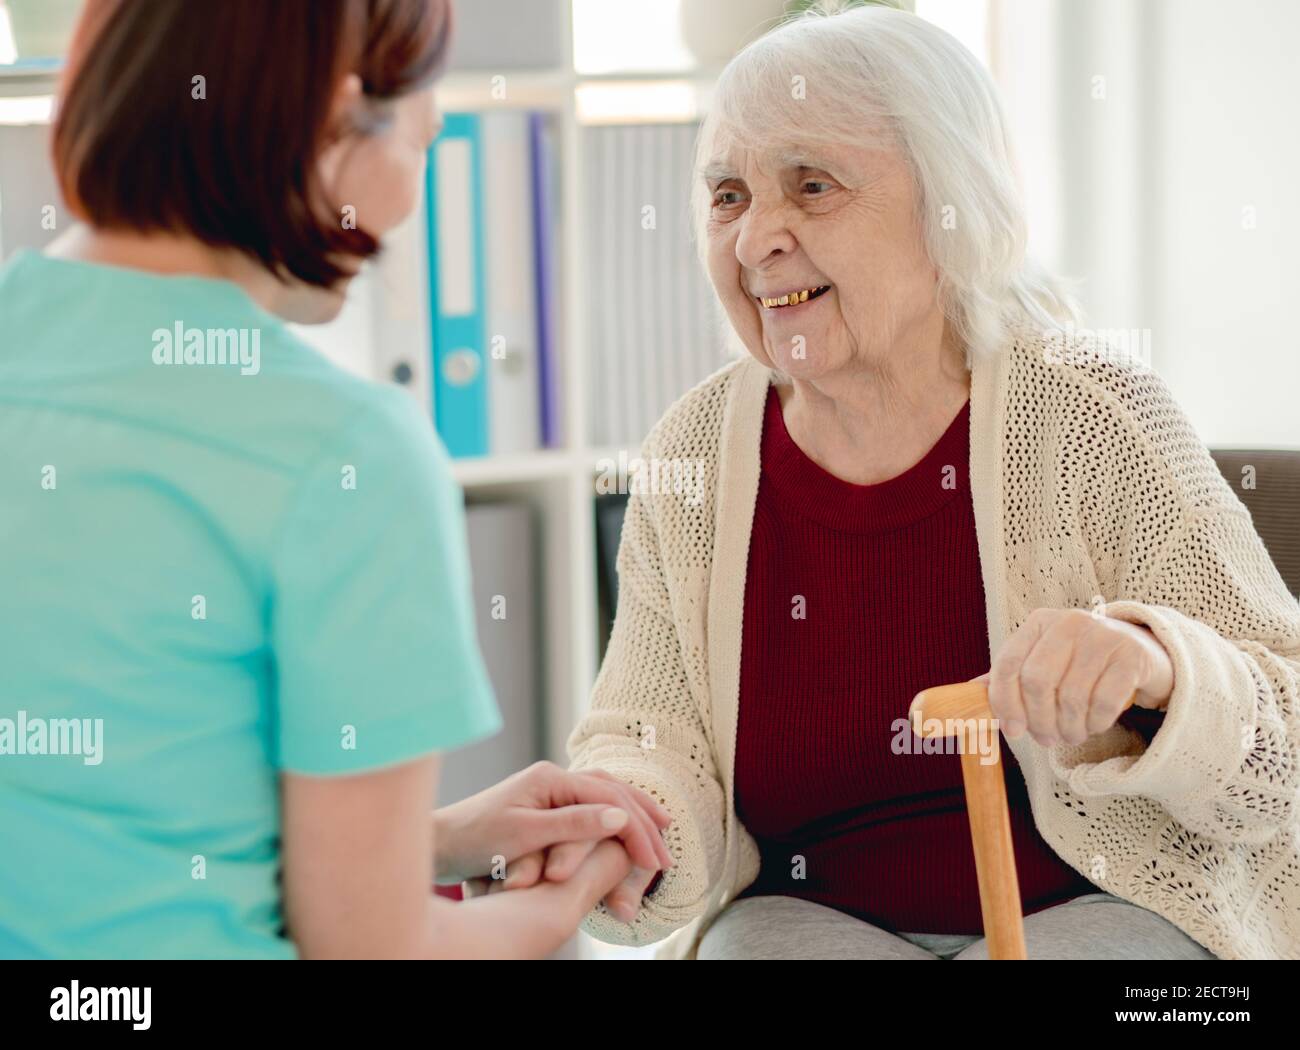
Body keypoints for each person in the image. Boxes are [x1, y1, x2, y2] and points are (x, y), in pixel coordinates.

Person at [560, 1, 1300, 960]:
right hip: (811, 920)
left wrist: (1160, 672)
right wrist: (626, 821)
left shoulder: (1095, 413)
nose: (753, 240)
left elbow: (1285, 746)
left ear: (951, 205)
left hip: (1112, 914)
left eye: (812, 186)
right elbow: (650, 741)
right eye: (729, 195)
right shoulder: (694, 455)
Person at [0, 0, 669, 960]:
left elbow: (109, 816)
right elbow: (372, 949)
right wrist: (577, 894)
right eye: (423, 143)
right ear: (335, 121)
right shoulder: (345, 454)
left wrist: (439, 836)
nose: (408, 206)